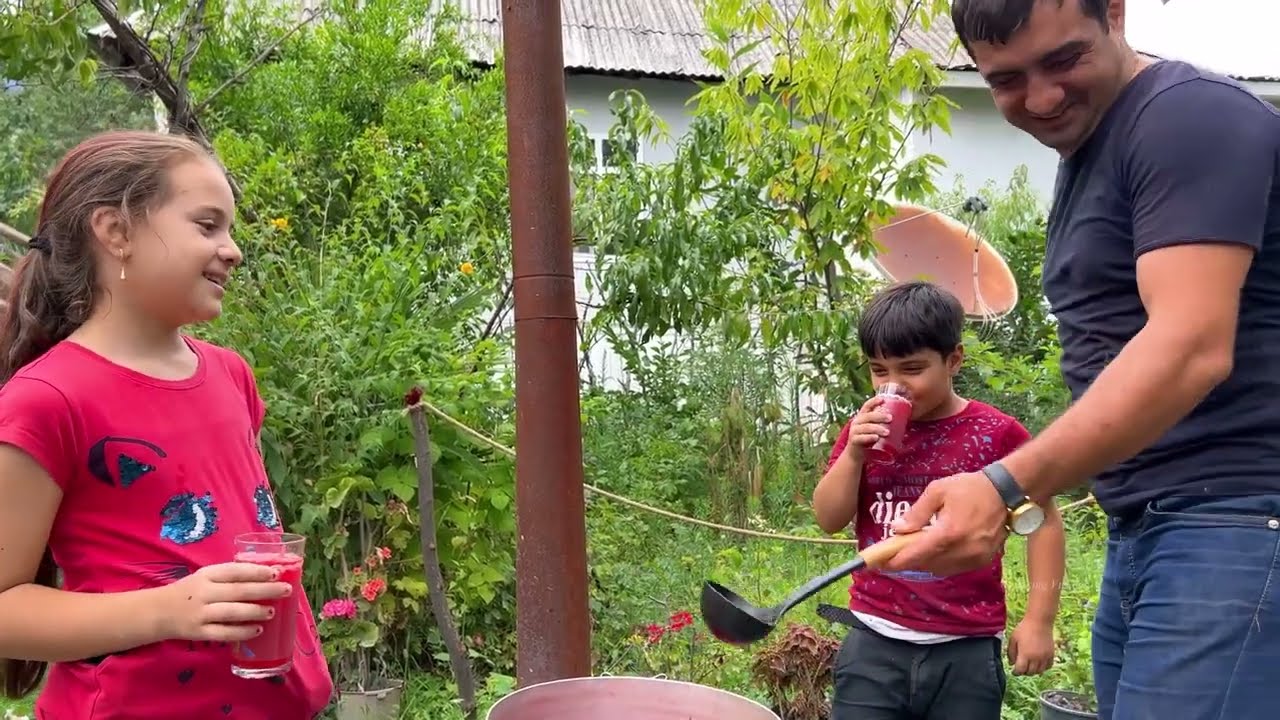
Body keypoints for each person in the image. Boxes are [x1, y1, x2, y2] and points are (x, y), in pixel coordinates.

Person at [884, 1, 1280, 719]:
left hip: (1235, 520)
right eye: (1005, 80)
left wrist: (1005, 484)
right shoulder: (1093, 149)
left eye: (1064, 60)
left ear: (1116, 14)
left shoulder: (1188, 118)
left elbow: (1190, 346)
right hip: (1152, 527)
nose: (1039, 98)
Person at [0, 131, 333, 718]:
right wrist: (170, 609)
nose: (232, 250)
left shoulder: (231, 374)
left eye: (229, 231)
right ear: (116, 232)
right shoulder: (46, 399)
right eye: (207, 226)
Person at [813, 281, 1065, 720]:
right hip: (874, 640)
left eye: (912, 369)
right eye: (879, 370)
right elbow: (828, 518)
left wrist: (1039, 619)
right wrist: (853, 452)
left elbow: (1043, 520)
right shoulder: (864, 429)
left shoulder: (995, 433)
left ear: (954, 360)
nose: (894, 386)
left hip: (965, 648)